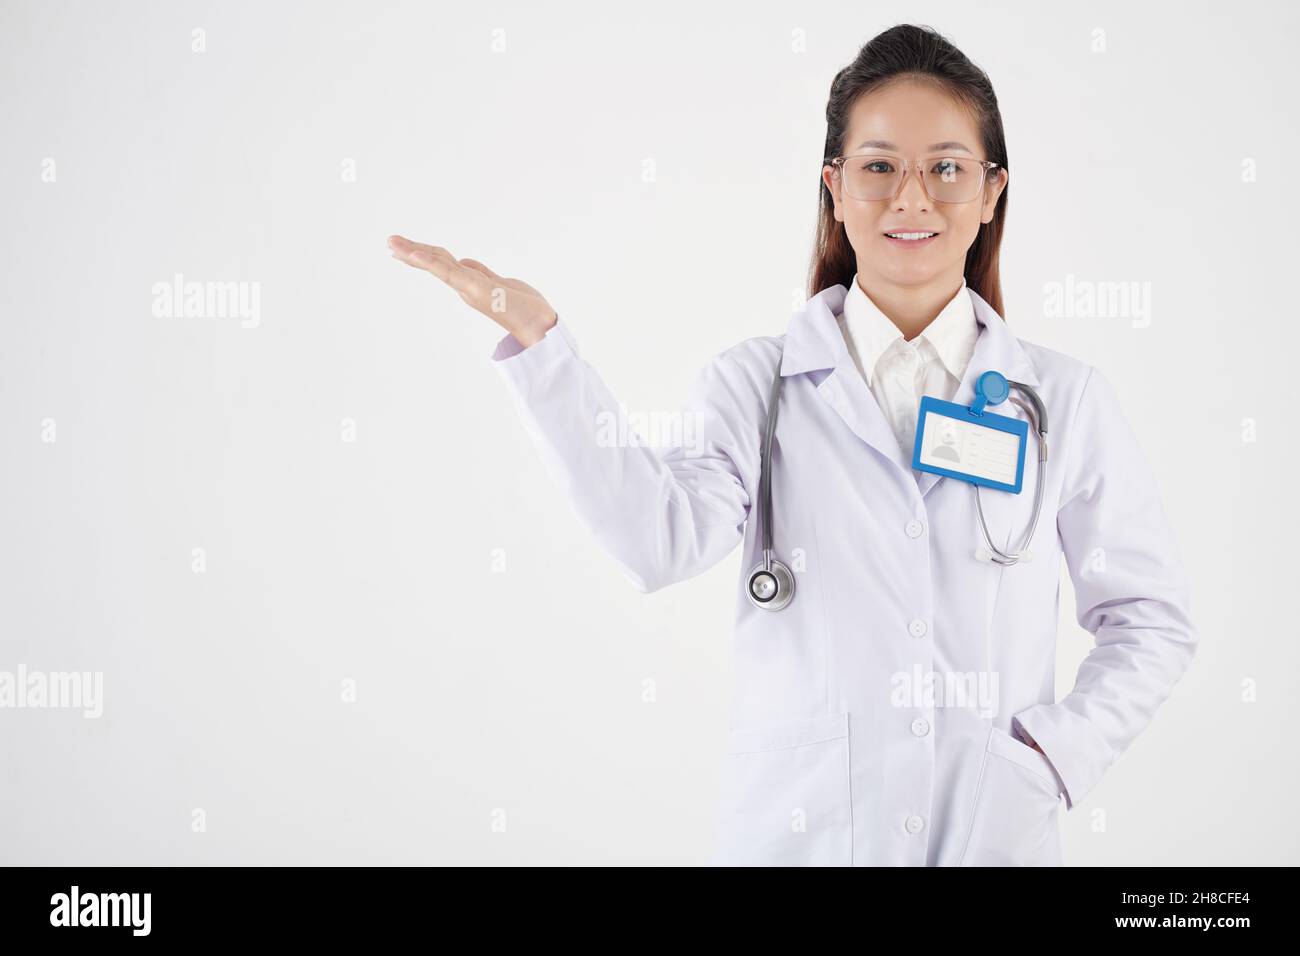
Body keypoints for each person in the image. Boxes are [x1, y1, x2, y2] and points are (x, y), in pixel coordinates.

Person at [386, 23, 1197, 866]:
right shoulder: (758, 385)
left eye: (947, 168)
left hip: (992, 833)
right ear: (835, 188)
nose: (912, 198)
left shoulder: (1062, 403)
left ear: (992, 192)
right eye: (879, 166)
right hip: (800, 836)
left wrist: (1048, 756)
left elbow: (1150, 620)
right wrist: (543, 349)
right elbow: (655, 541)